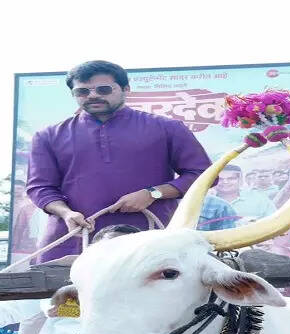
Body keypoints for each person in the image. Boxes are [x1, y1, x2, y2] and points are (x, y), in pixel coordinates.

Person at [26, 60, 212, 261]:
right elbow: (40, 187)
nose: (93, 96)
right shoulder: (49, 136)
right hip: (73, 240)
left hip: (150, 241)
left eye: (104, 89)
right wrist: (65, 213)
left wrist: (152, 193)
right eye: (82, 92)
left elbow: (203, 175)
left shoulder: (167, 128)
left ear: (126, 89)